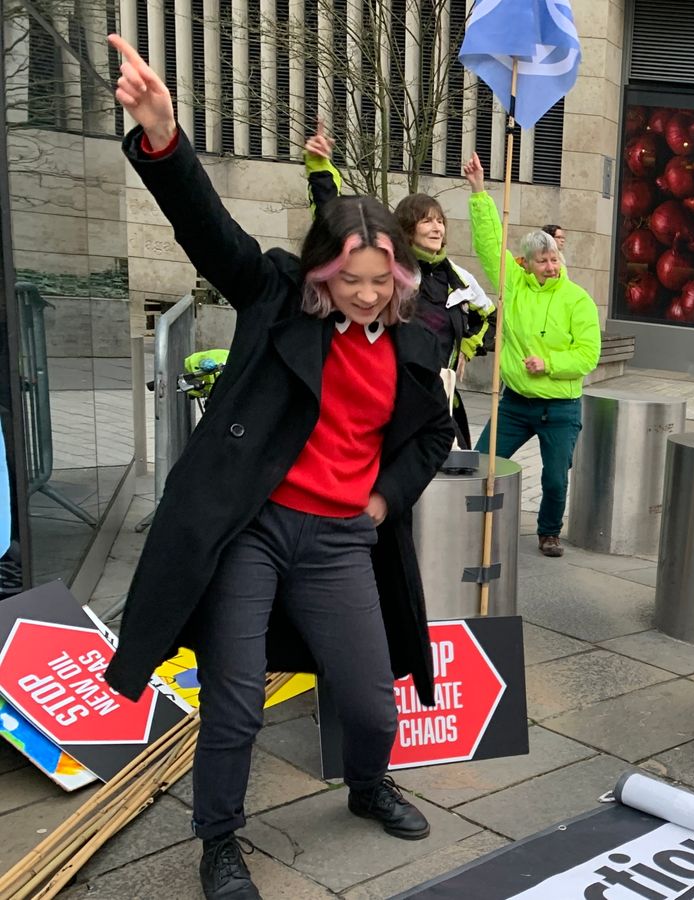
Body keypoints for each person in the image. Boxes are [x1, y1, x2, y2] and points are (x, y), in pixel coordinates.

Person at [102, 35, 456, 900]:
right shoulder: (274, 300)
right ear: (324, 269)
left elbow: (433, 436)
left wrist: (381, 504)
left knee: (374, 699)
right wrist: (163, 136)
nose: (368, 295)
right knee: (235, 701)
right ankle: (218, 840)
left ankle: (370, 785)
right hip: (253, 531)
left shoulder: (416, 342)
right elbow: (206, 229)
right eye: (352, 278)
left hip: (341, 537)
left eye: (383, 280)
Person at [304, 123, 494, 448]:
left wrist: (465, 348)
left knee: (451, 466)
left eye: (440, 221)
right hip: (387, 391)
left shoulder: (460, 279)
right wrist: (321, 170)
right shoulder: (393, 272)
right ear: (408, 228)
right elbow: (331, 225)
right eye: (426, 221)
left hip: (440, 394)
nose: (436, 228)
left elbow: (489, 317)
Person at [462, 153, 600, 558]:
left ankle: (549, 531)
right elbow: (489, 244)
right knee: (482, 462)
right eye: (543, 260)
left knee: (556, 479)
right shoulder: (516, 285)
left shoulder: (578, 300)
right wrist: (479, 192)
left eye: (555, 258)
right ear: (526, 263)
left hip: (561, 407)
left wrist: (550, 365)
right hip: (516, 403)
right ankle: (468, 517)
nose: (551, 266)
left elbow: (588, 355)